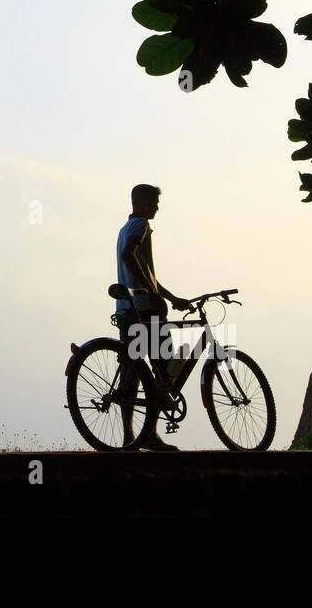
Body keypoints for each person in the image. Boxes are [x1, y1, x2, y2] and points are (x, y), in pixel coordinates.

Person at [115, 184, 192, 452]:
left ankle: (130, 437)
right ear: (143, 202)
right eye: (155, 202)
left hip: (127, 310)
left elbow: (147, 273)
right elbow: (129, 257)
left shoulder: (124, 229)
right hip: (145, 311)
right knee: (165, 371)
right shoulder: (140, 227)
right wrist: (153, 295)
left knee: (133, 373)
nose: (158, 207)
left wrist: (170, 297)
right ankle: (149, 434)